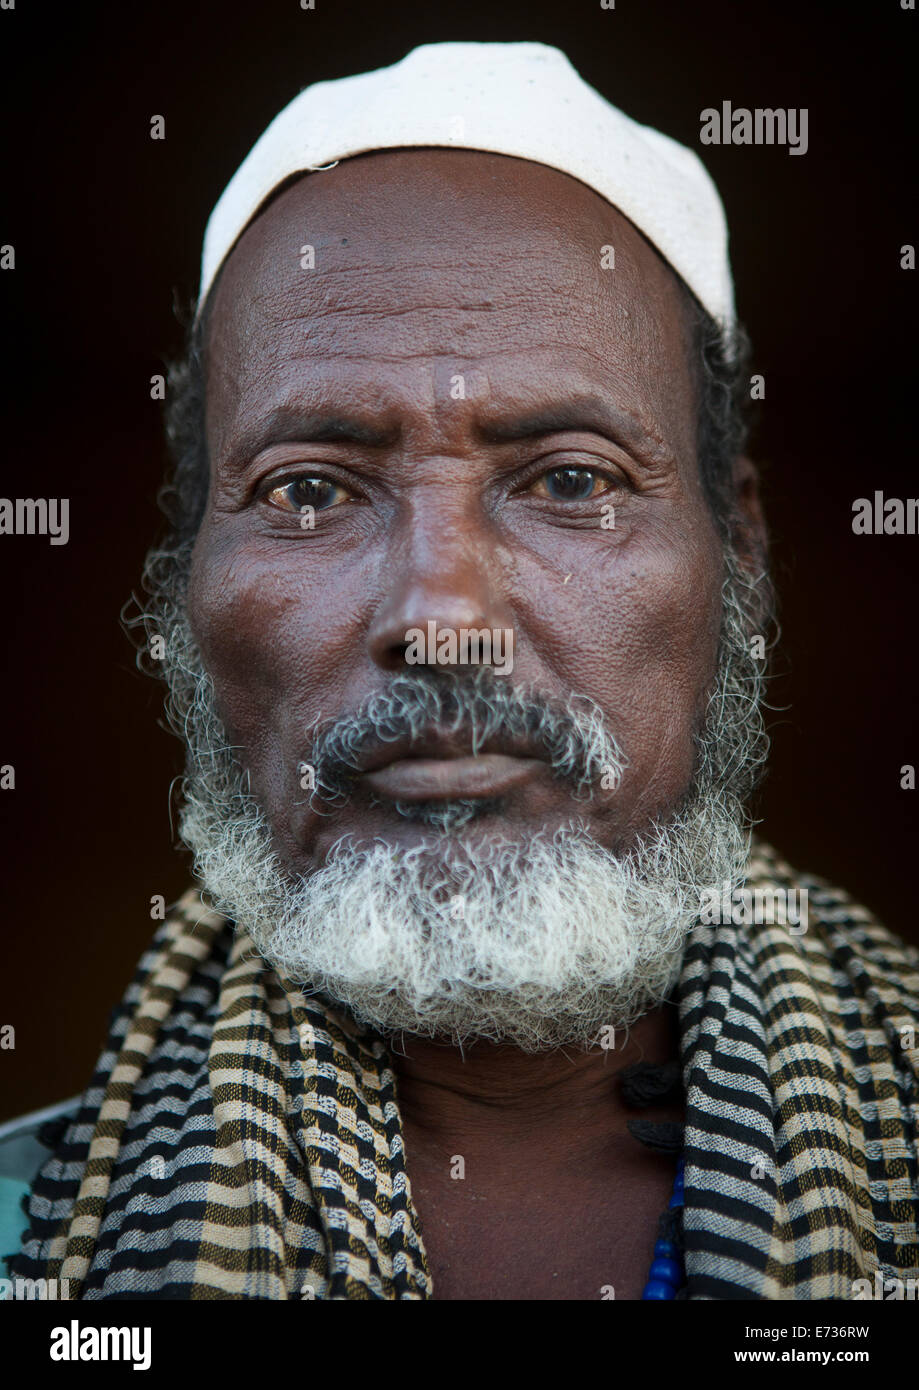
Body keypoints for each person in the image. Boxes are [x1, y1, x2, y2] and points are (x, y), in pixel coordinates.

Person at [4, 41, 917, 1301]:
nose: (441, 619)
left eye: (569, 481)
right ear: (186, 579)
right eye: (311, 490)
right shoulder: (30, 1234)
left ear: (739, 557)